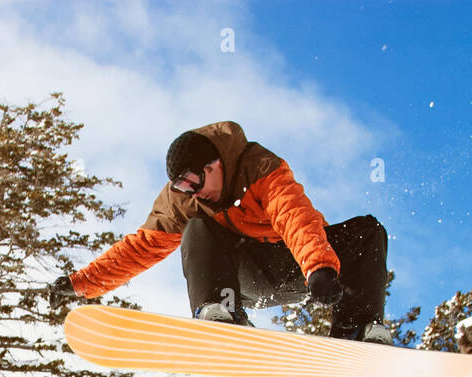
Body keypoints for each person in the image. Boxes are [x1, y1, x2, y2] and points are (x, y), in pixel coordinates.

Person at [50, 121, 392, 344]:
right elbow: (139, 249)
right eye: (181, 186)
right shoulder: (184, 201)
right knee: (198, 228)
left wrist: (319, 268)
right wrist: (81, 283)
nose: (192, 192)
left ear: (215, 165)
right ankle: (219, 311)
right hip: (242, 277)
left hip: (298, 268)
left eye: (194, 181)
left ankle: (356, 327)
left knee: (368, 231)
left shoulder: (259, 168)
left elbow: (294, 216)